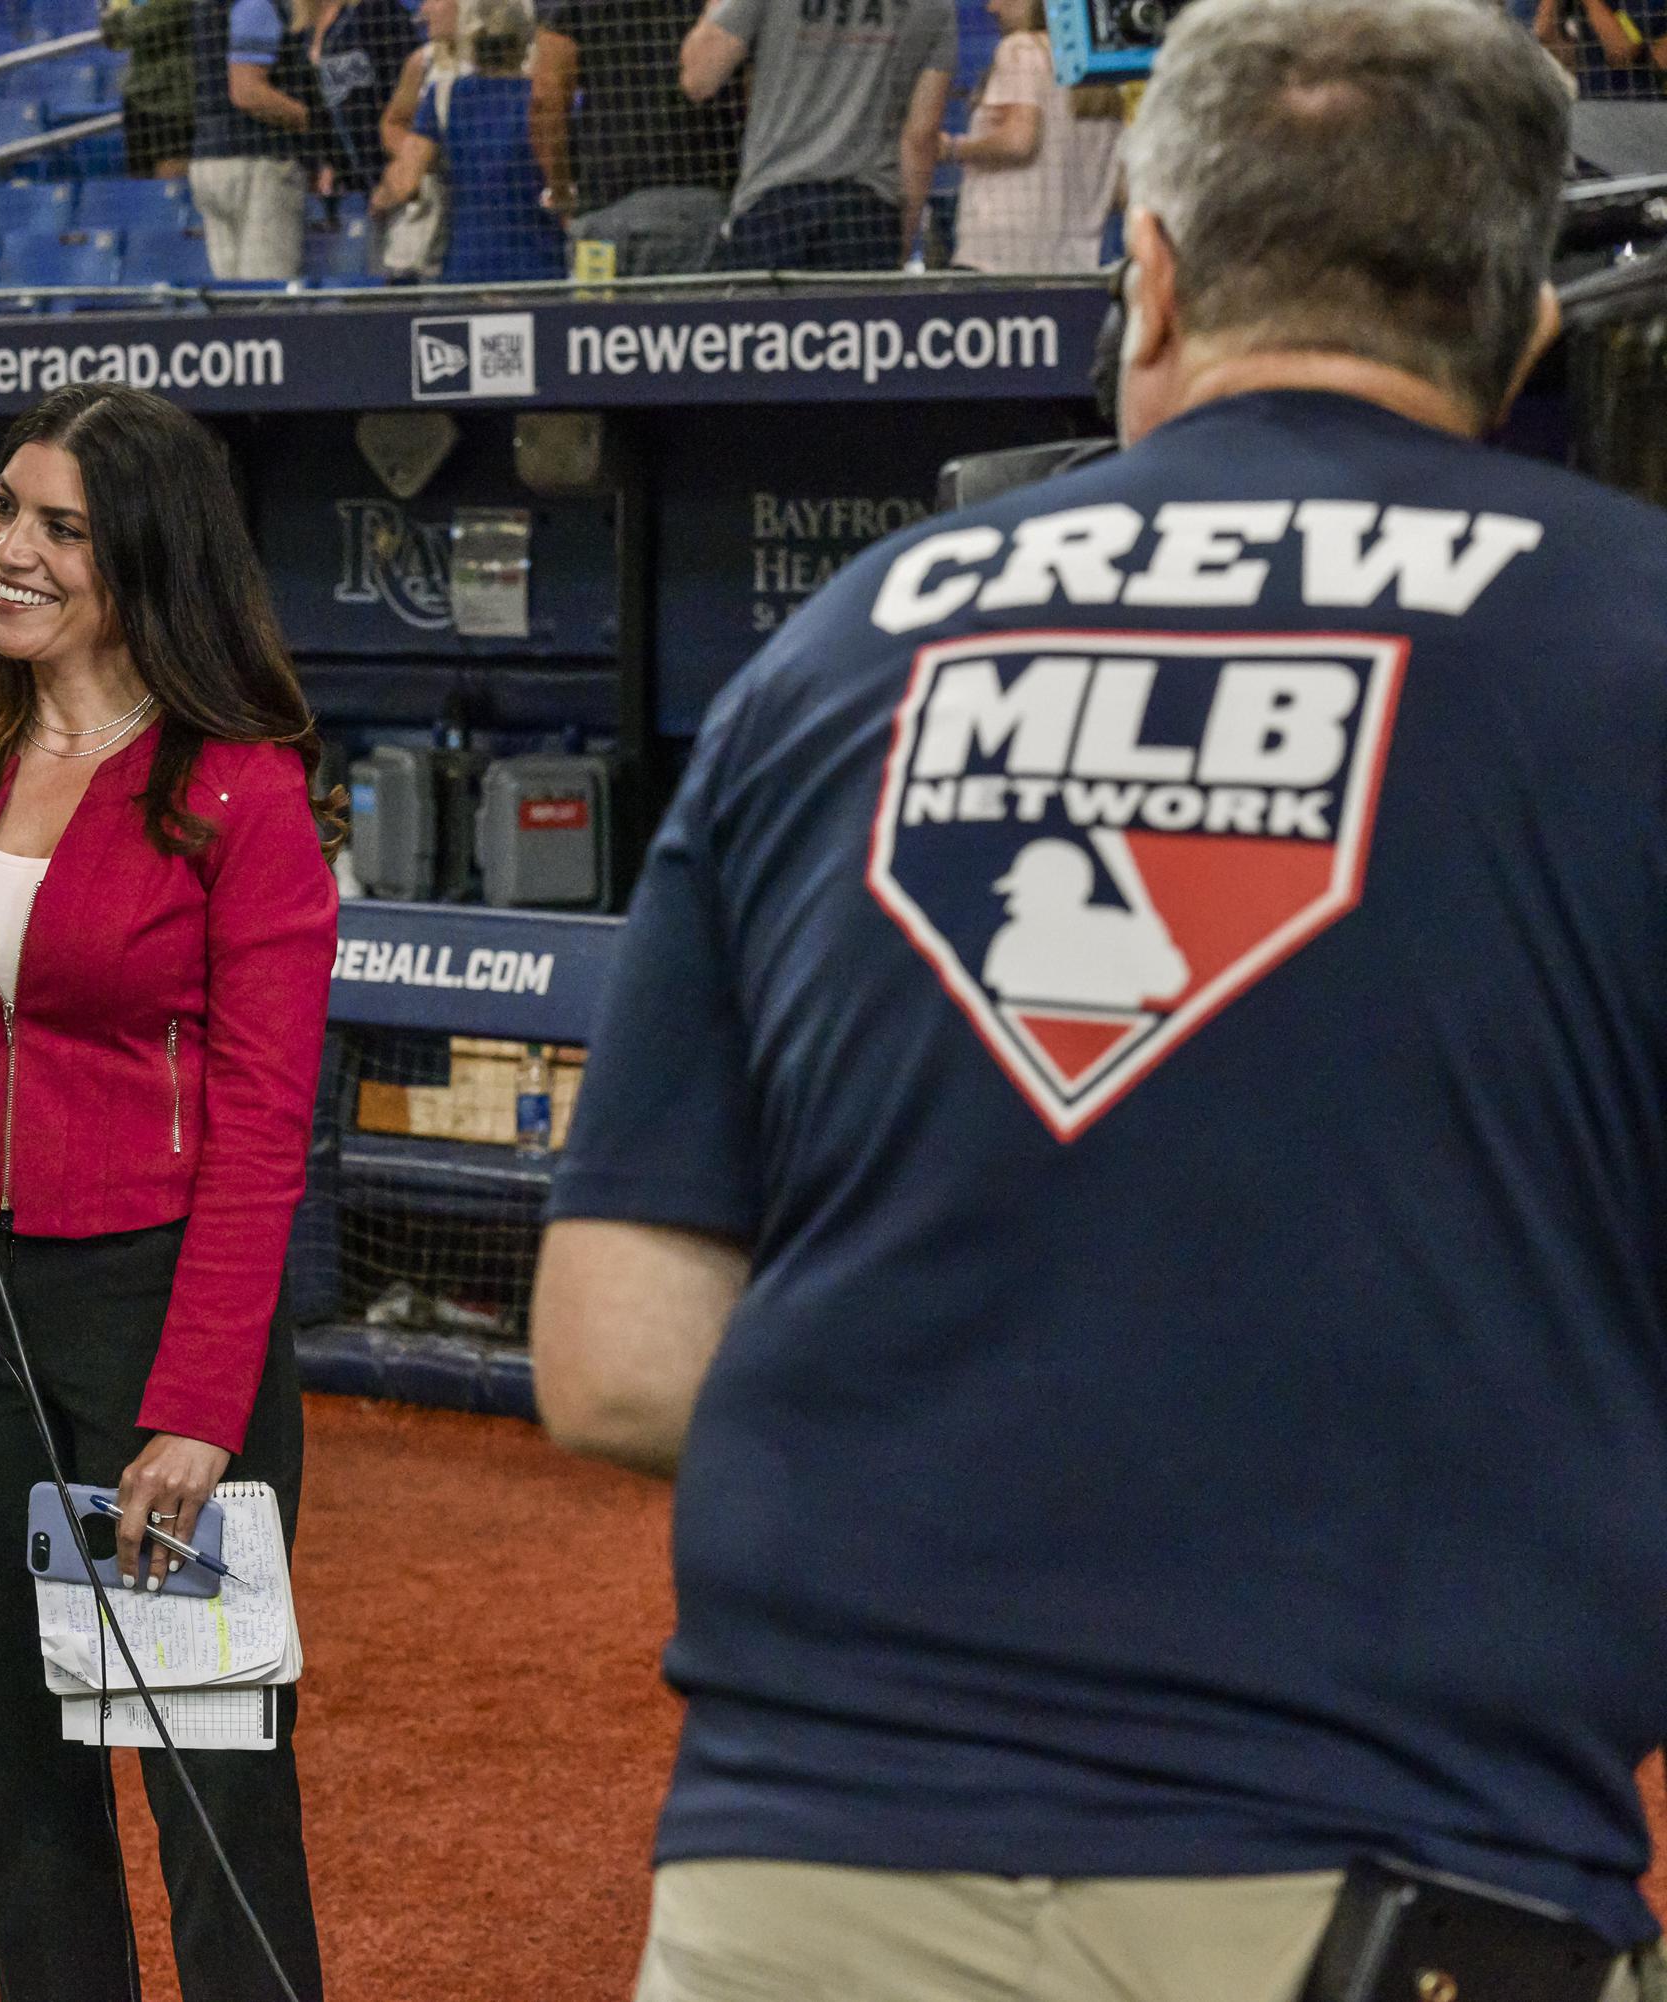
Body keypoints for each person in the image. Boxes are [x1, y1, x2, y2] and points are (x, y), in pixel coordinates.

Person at [530, 2, 1667, 1997]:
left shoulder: (835, 648)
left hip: (811, 1875)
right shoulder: (1634, 632)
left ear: (1142, 272)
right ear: (1528, 332)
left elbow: (615, 1353)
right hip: (1392, 1864)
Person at [0, 382, 341, 2002]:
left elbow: (262, 1127)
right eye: (6, 511)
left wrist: (198, 1409)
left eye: (58, 527)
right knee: (25, 1781)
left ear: (145, 557)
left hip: (158, 1316)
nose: (8, 549)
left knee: (209, 1776)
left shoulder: (242, 789)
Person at [683, 0, 953, 270]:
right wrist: (906, 235)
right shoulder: (935, 5)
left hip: (773, 207)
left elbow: (699, 77)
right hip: (866, 216)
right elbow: (921, 136)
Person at [533, 0, 740, 278]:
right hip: (700, 204)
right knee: (697, 318)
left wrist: (560, 192)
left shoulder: (570, 9)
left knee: (591, 320)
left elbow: (547, 97)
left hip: (603, 215)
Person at [371, 0, 562, 283]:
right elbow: (559, 180)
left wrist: (381, 195)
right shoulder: (542, 98)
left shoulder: (444, 96)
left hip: (467, 269)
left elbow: (404, 183)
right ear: (525, 41)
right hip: (539, 267)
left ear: (471, 39)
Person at [943, 0, 1120, 273]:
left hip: (996, 257)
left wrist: (952, 149)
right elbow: (1121, 190)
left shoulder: (1021, 49)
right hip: (1074, 265)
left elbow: (1019, 140)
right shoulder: (1106, 71)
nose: (991, 8)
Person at [190, 0, 310, 279]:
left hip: (210, 161)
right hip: (256, 165)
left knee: (231, 303)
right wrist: (314, 122)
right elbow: (246, 91)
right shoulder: (257, 5)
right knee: (266, 298)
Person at [371, 0, 458, 277]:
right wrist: (419, 156)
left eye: (434, 1)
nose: (423, 12)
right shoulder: (422, 61)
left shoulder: (506, 59)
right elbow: (392, 124)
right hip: (429, 203)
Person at [311, 0, 420, 197]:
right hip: (358, 185)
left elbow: (405, 104)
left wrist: (394, 176)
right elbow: (338, 107)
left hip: (394, 178)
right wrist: (332, 162)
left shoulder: (382, 10)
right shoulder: (336, 23)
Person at [104, 0, 196, 180]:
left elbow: (152, 22)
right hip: (140, 99)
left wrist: (119, 20)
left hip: (174, 102)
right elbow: (113, 38)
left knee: (172, 183)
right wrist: (122, 21)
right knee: (141, 184)